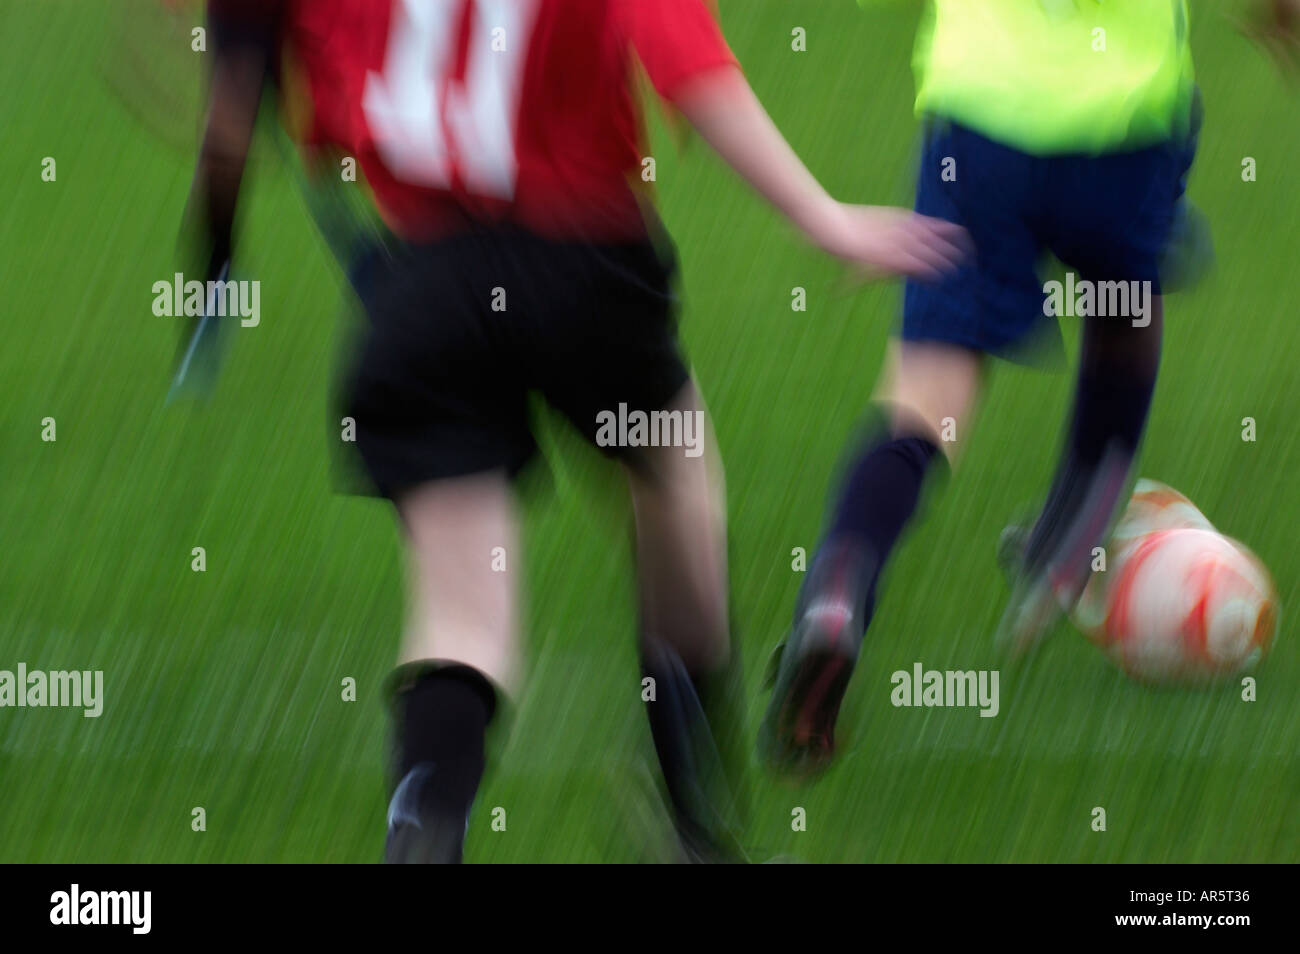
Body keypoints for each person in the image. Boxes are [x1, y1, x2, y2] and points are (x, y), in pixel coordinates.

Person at [186, 0, 966, 860]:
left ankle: (422, 840)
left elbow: (241, 98)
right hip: (588, 277)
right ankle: (692, 831)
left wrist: (213, 252)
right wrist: (824, 217)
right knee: (679, 514)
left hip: (425, 292)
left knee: (461, 622)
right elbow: (687, 65)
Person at [760, 0, 1211, 775]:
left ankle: (837, 591)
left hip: (980, 115)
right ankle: (1068, 538)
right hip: (1129, 116)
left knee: (928, 397)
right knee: (1125, 306)